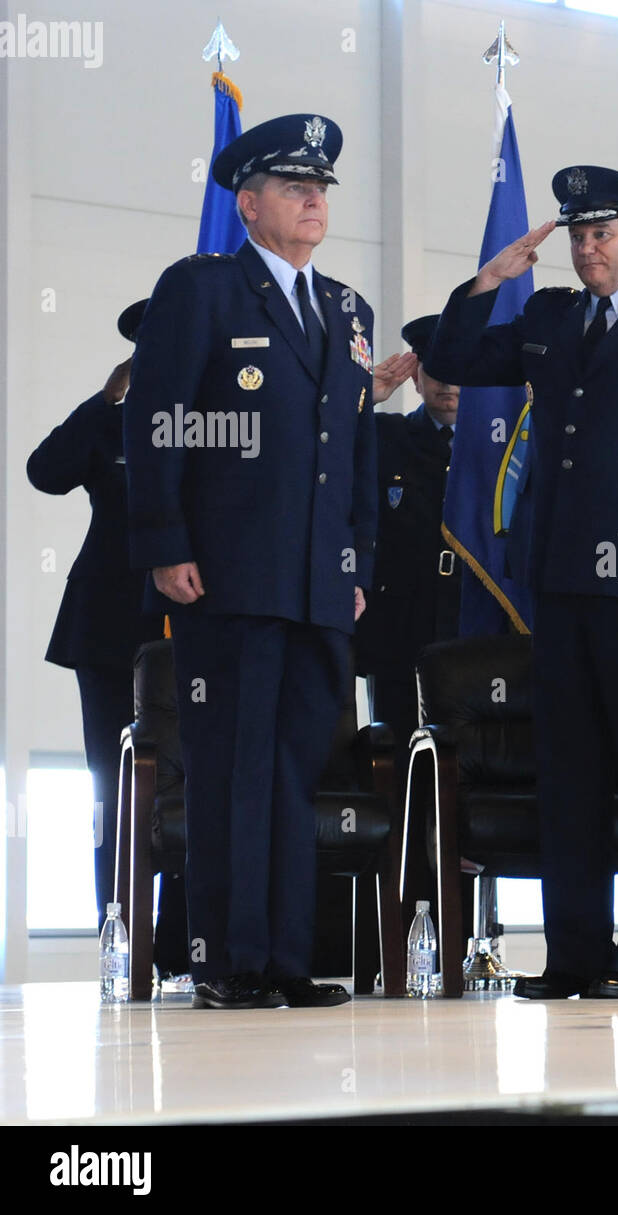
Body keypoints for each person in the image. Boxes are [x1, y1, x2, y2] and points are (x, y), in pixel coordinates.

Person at [424, 166, 618, 998]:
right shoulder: (548, 315)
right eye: (577, 233)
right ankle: (572, 953)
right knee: (566, 771)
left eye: (603, 232)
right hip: (561, 575)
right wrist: (489, 278)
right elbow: (452, 353)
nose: (587, 246)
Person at [124, 113, 378, 1010]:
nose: (314, 200)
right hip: (224, 574)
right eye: (295, 186)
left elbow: (354, 447)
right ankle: (226, 961)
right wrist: (164, 542)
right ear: (248, 203)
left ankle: (281, 958)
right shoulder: (201, 291)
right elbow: (155, 421)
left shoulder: (347, 308)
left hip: (316, 581)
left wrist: (357, 565)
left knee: (295, 770)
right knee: (235, 766)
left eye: (321, 189)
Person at [26, 301, 185, 976]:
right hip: (109, 628)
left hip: (190, 626)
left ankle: (183, 946)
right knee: (116, 788)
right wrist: (104, 397)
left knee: (190, 788)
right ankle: (120, 938)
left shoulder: (209, 426)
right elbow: (46, 470)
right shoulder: (112, 421)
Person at [356, 315, 461, 759]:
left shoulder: (505, 451)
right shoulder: (385, 436)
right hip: (399, 625)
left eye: (462, 373)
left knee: (473, 752)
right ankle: (403, 830)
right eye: (436, 371)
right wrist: (363, 399)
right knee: (396, 751)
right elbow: (316, 445)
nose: (449, 385)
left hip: (472, 621)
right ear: (416, 378)